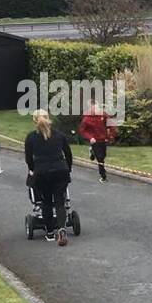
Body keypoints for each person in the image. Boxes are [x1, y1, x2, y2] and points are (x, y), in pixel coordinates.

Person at [25, 109, 73, 246]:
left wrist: (32, 170)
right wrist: (68, 169)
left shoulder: (31, 137)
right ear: (48, 118)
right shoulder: (59, 135)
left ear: (34, 121)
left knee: (46, 201)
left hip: (42, 172)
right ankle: (62, 228)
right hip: (60, 170)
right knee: (60, 201)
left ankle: (50, 232)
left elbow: (29, 158)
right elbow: (68, 154)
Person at [78, 97, 116, 182]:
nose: (95, 109)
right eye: (93, 107)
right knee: (100, 158)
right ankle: (103, 175)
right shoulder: (87, 118)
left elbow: (111, 125)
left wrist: (111, 136)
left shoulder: (103, 115)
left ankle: (92, 151)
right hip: (94, 140)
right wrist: (90, 137)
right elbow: (82, 130)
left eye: (96, 107)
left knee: (103, 155)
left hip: (103, 139)